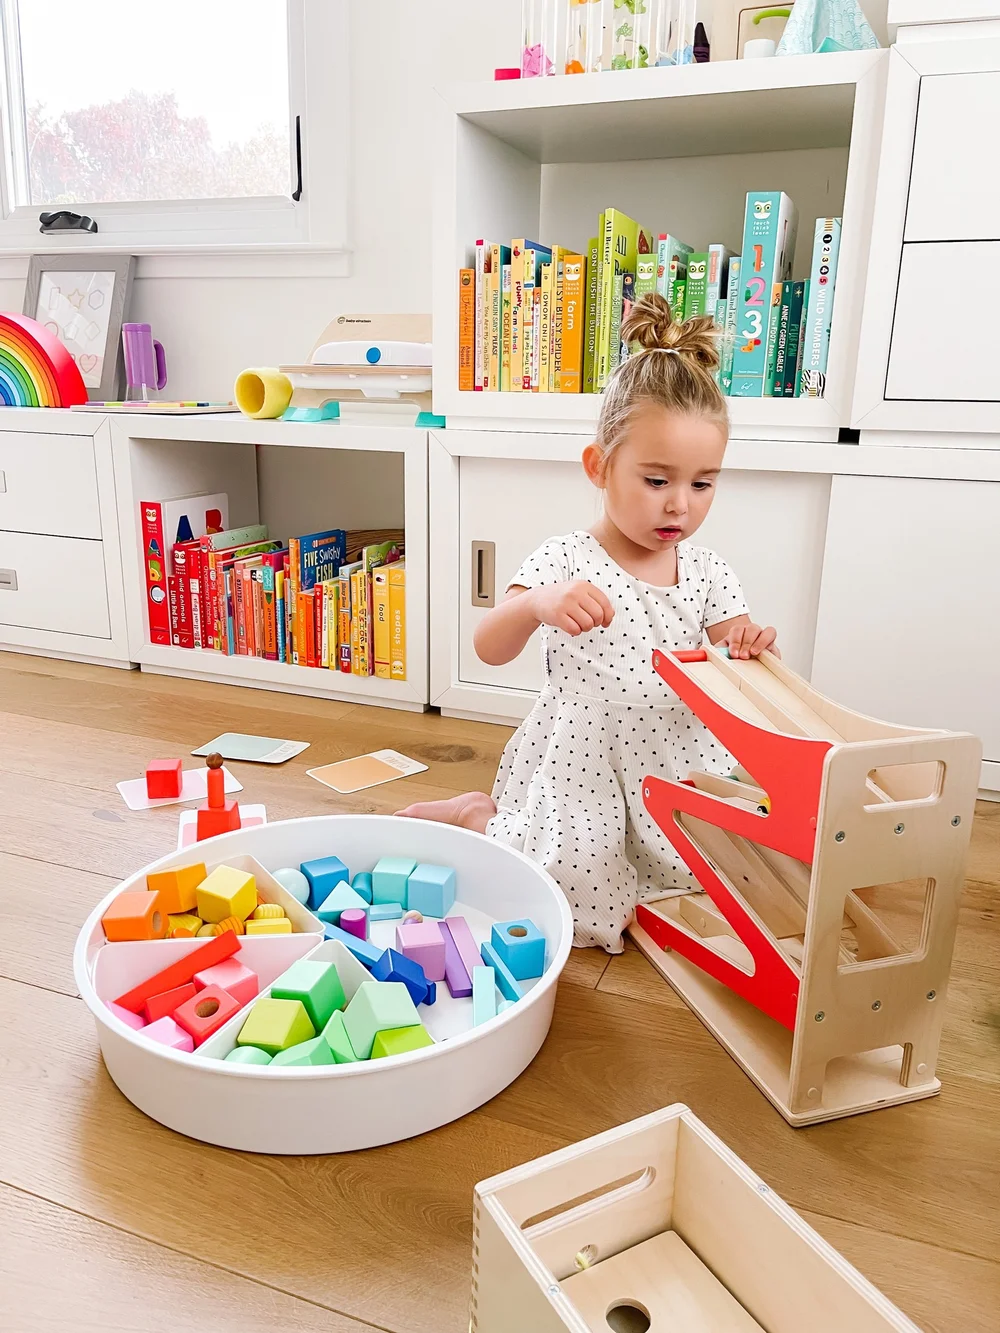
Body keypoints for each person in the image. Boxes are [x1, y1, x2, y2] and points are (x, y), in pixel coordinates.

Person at [399, 293, 778, 952]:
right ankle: (478, 815)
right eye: (658, 479)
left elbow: (735, 651)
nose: (680, 506)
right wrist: (534, 603)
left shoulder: (709, 570)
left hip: (677, 758)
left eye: (702, 484)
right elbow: (488, 646)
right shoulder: (567, 557)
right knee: (575, 904)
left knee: (730, 877)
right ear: (600, 467)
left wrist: (748, 644)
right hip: (586, 763)